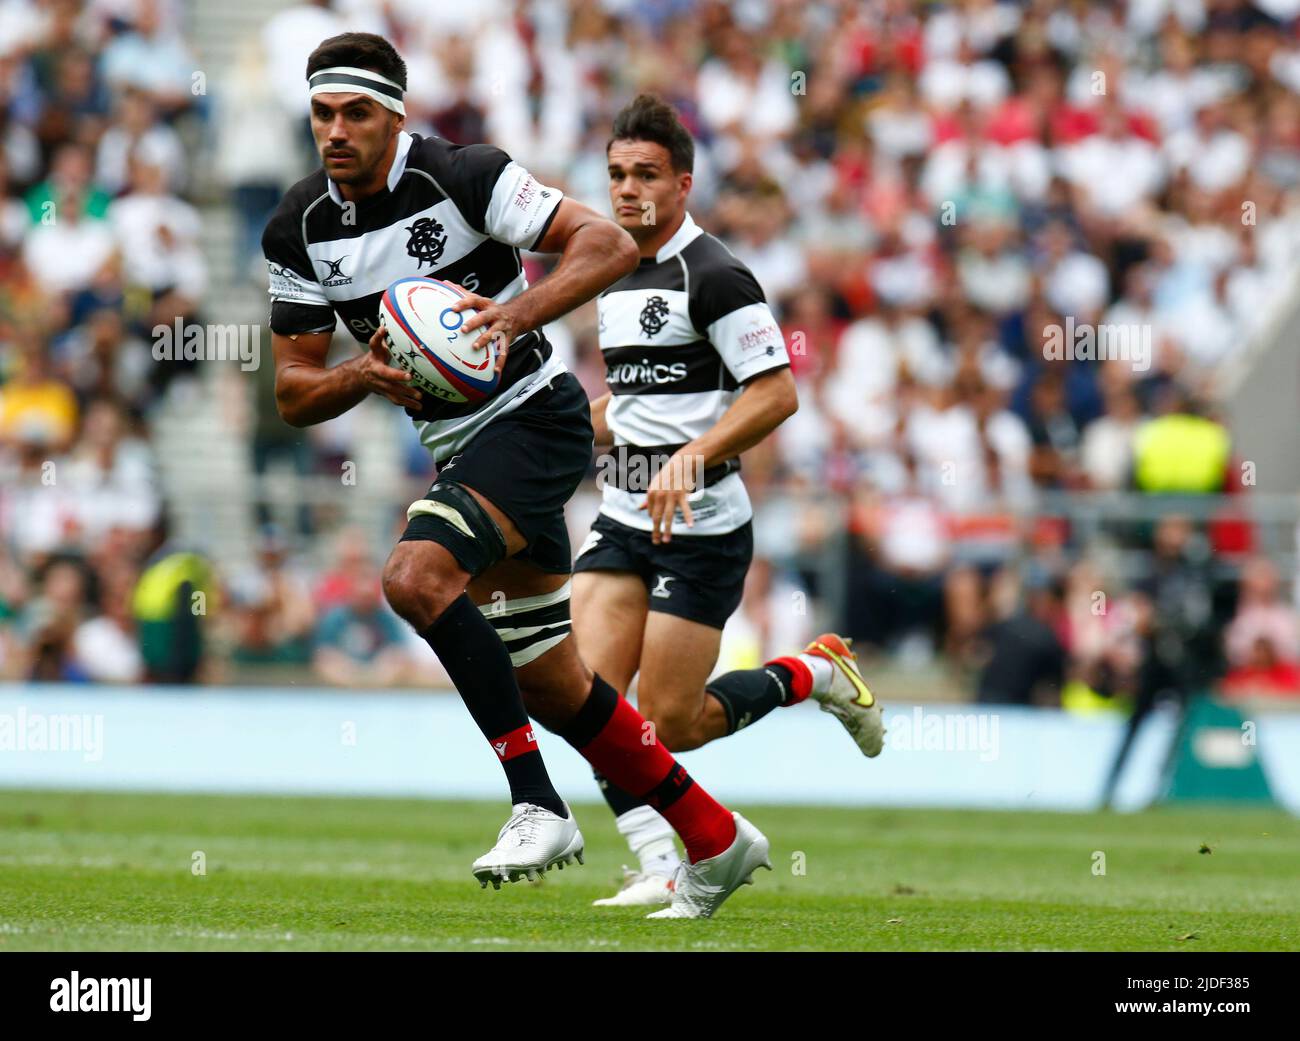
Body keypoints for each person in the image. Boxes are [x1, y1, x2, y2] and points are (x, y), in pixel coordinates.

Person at [261, 34, 769, 917]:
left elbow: (605, 244)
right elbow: (294, 393)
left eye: (356, 113)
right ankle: (715, 834)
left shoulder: (463, 173)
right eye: (322, 114)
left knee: (415, 576)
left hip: (536, 417)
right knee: (552, 681)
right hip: (459, 446)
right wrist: (360, 376)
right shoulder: (295, 229)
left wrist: (509, 315)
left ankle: (536, 800)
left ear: (396, 115)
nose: (335, 130)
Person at [571, 94, 883, 907]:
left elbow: (776, 394)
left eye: (645, 175)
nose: (627, 190)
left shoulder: (714, 274)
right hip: (622, 516)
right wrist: (553, 425)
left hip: (702, 527)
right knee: (584, 700)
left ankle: (812, 671)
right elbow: (635, 402)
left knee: (671, 721)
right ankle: (658, 860)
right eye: (615, 175)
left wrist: (693, 457)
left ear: (683, 183)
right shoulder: (609, 273)